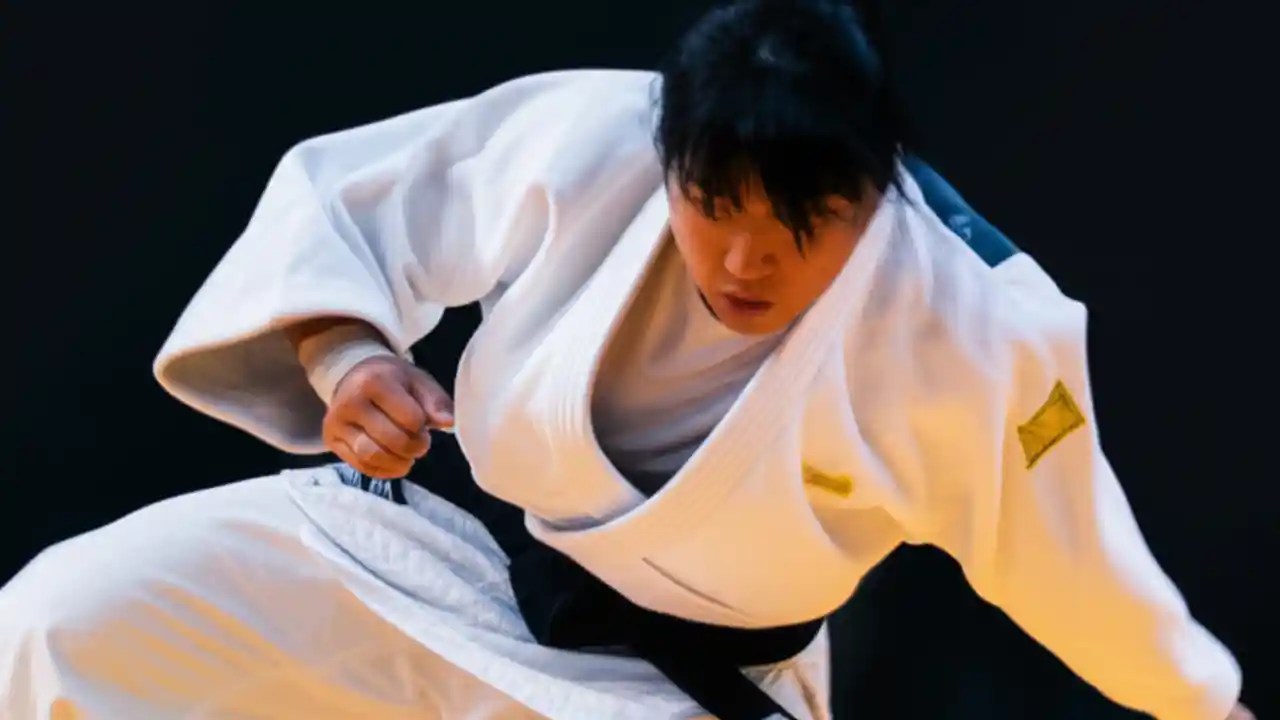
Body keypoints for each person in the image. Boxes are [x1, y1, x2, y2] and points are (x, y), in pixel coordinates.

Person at [0, 1, 1251, 718]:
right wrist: (349, 362)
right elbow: (359, 211)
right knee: (57, 622)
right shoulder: (599, 131)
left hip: (686, 683)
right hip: (438, 559)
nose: (744, 263)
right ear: (673, 162)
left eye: (796, 226)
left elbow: (1077, 562)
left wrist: (1205, 708)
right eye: (715, 207)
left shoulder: (976, 333)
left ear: (878, 196)